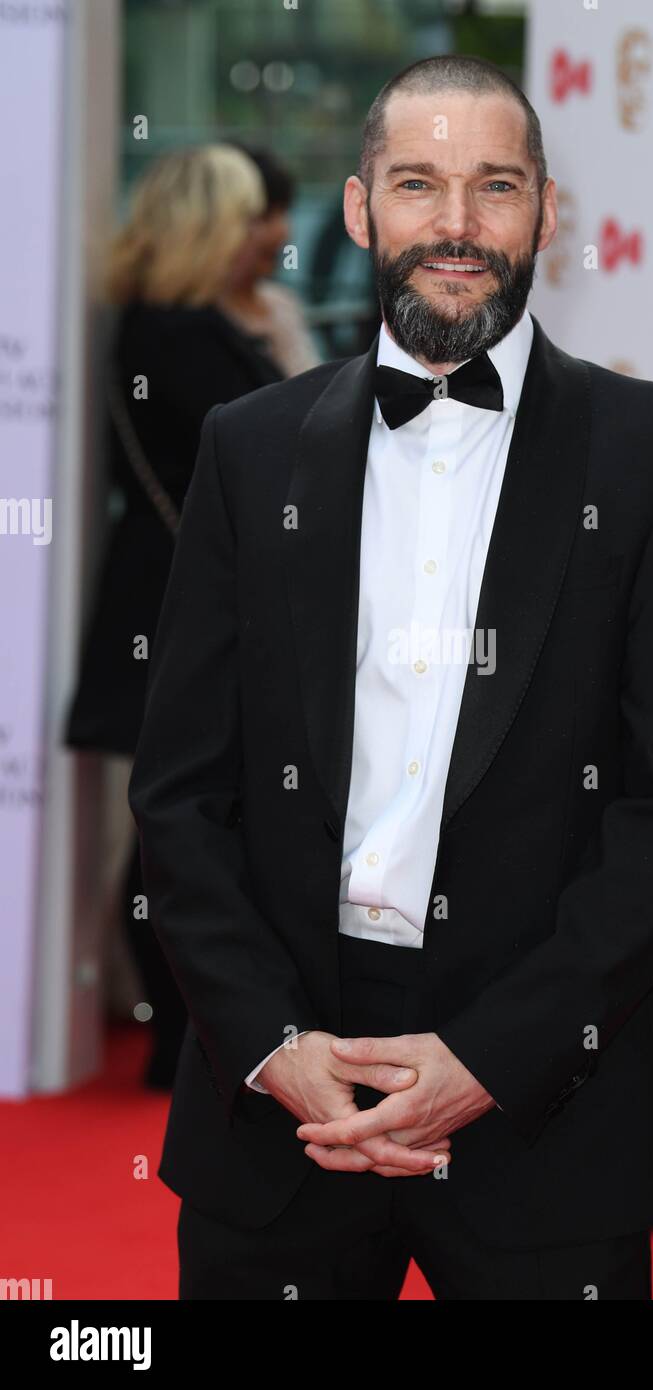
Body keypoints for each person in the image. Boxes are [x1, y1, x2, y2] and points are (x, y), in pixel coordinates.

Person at [128, 56, 653, 1300]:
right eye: (418, 185)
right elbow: (180, 795)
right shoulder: (248, 453)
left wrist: (496, 1058)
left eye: (494, 187)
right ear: (360, 210)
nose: (456, 226)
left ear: (546, 213)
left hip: (543, 1110)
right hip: (281, 1109)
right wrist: (267, 1045)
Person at [65, 145, 291, 1087]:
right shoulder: (169, 333)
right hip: (175, 599)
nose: (267, 236)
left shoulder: (186, 325)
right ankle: (173, 1033)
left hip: (181, 589)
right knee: (175, 822)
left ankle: (184, 1027)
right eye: (246, 218)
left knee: (186, 817)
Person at [219, 144, 320, 378]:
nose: (282, 232)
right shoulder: (195, 322)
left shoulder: (282, 304)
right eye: (264, 216)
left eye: (284, 213)